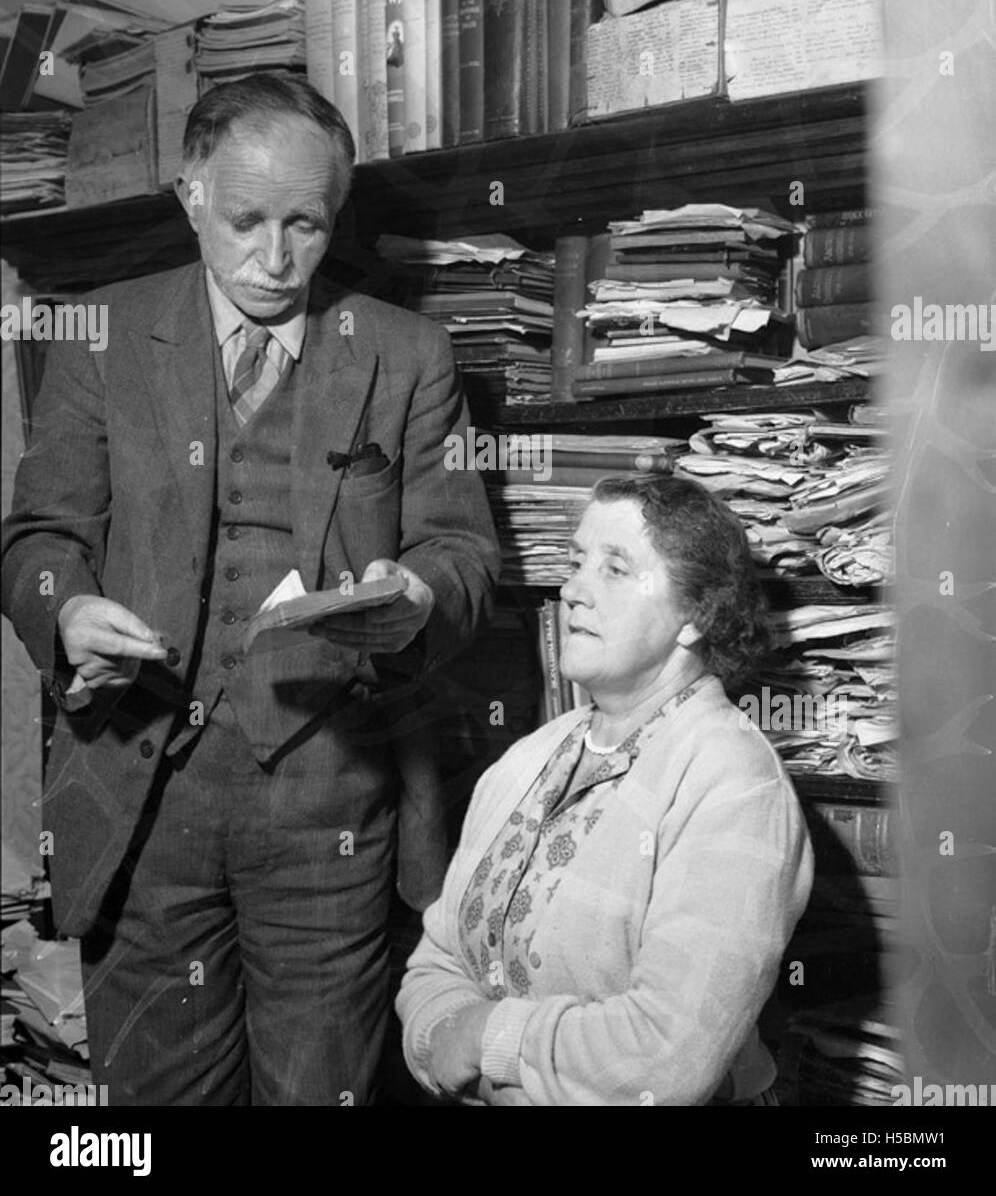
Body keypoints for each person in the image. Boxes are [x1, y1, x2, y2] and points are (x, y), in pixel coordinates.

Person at [1, 73, 500, 1106]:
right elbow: (40, 537)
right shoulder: (100, 337)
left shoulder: (408, 355)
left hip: (335, 800)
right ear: (189, 193)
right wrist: (65, 608)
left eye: (307, 225)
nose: (275, 258)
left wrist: (418, 591)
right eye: (246, 220)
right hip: (141, 793)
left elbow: (463, 552)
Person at [397, 473, 813, 1106]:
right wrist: (450, 1048)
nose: (571, 590)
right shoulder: (525, 759)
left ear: (695, 615)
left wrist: (486, 1038)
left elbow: (666, 1059)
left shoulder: (735, 786)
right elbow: (433, 966)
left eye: (615, 569)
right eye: (575, 562)